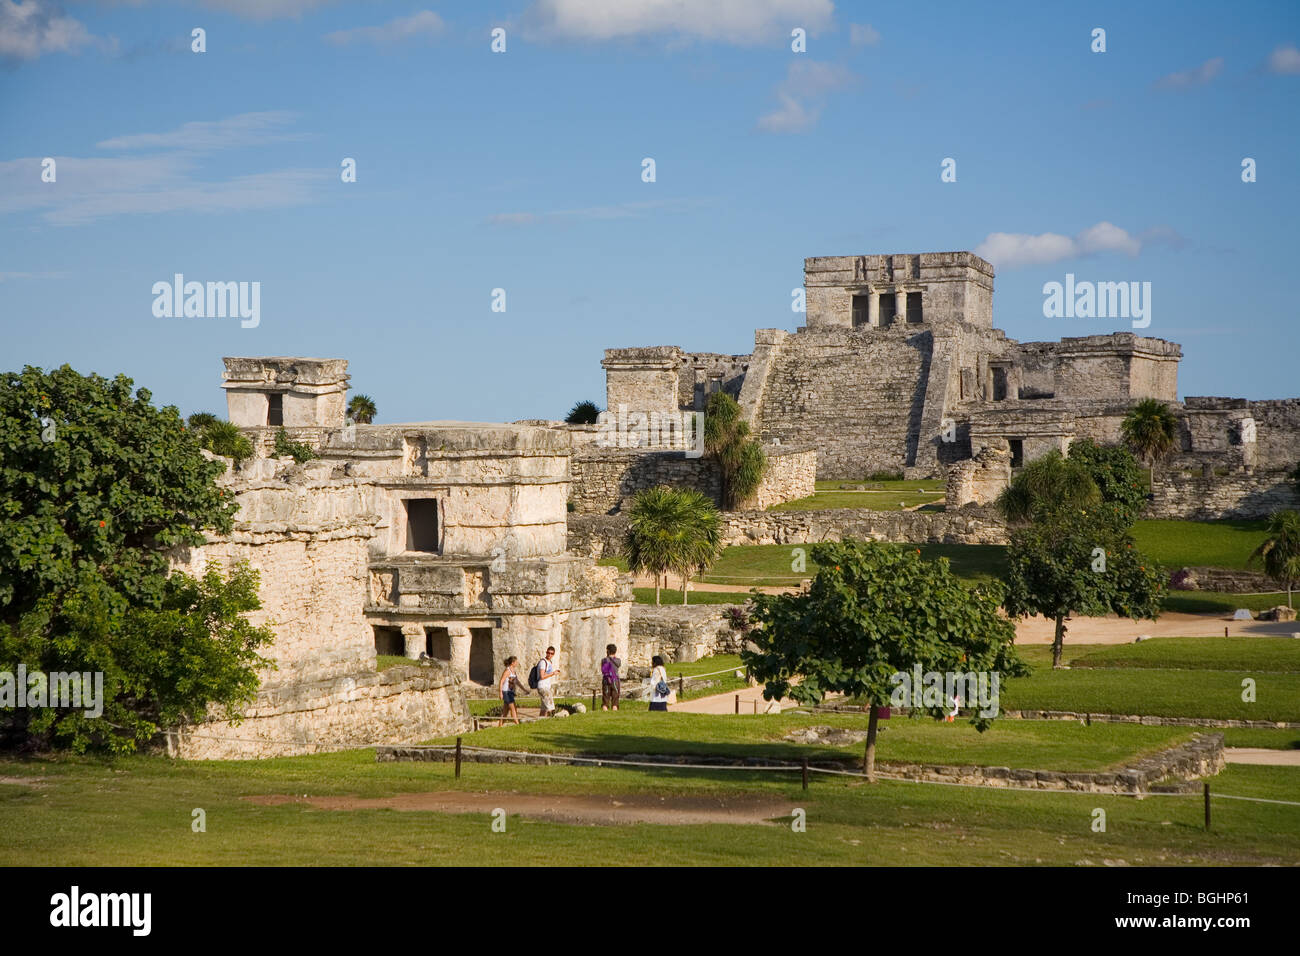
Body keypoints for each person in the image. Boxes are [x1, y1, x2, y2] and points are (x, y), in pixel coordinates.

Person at [536, 646, 560, 717]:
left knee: (544, 708)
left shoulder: (549, 662)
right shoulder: (543, 662)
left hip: (546, 687)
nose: (549, 655)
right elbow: (542, 676)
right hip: (542, 687)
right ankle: (552, 721)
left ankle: (540, 722)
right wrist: (553, 673)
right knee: (550, 707)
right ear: (546, 652)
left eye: (551, 653)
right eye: (548, 653)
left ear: (553, 654)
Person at [497, 656, 520, 727]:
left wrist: (524, 689)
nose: (517, 663)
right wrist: (500, 692)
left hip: (510, 692)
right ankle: (517, 724)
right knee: (513, 708)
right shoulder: (507, 671)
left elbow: (517, 682)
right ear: (513, 663)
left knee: (505, 711)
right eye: (516, 662)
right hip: (506, 692)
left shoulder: (513, 671)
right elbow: (501, 681)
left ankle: (500, 725)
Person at [600, 644, 621, 711]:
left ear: (608, 651)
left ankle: (605, 709)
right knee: (615, 698)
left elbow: (603, 670)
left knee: (606, 697)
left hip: (606, 680)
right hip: (615, 680)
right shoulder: (618, 661)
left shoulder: (604, 660)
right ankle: (614, 709)